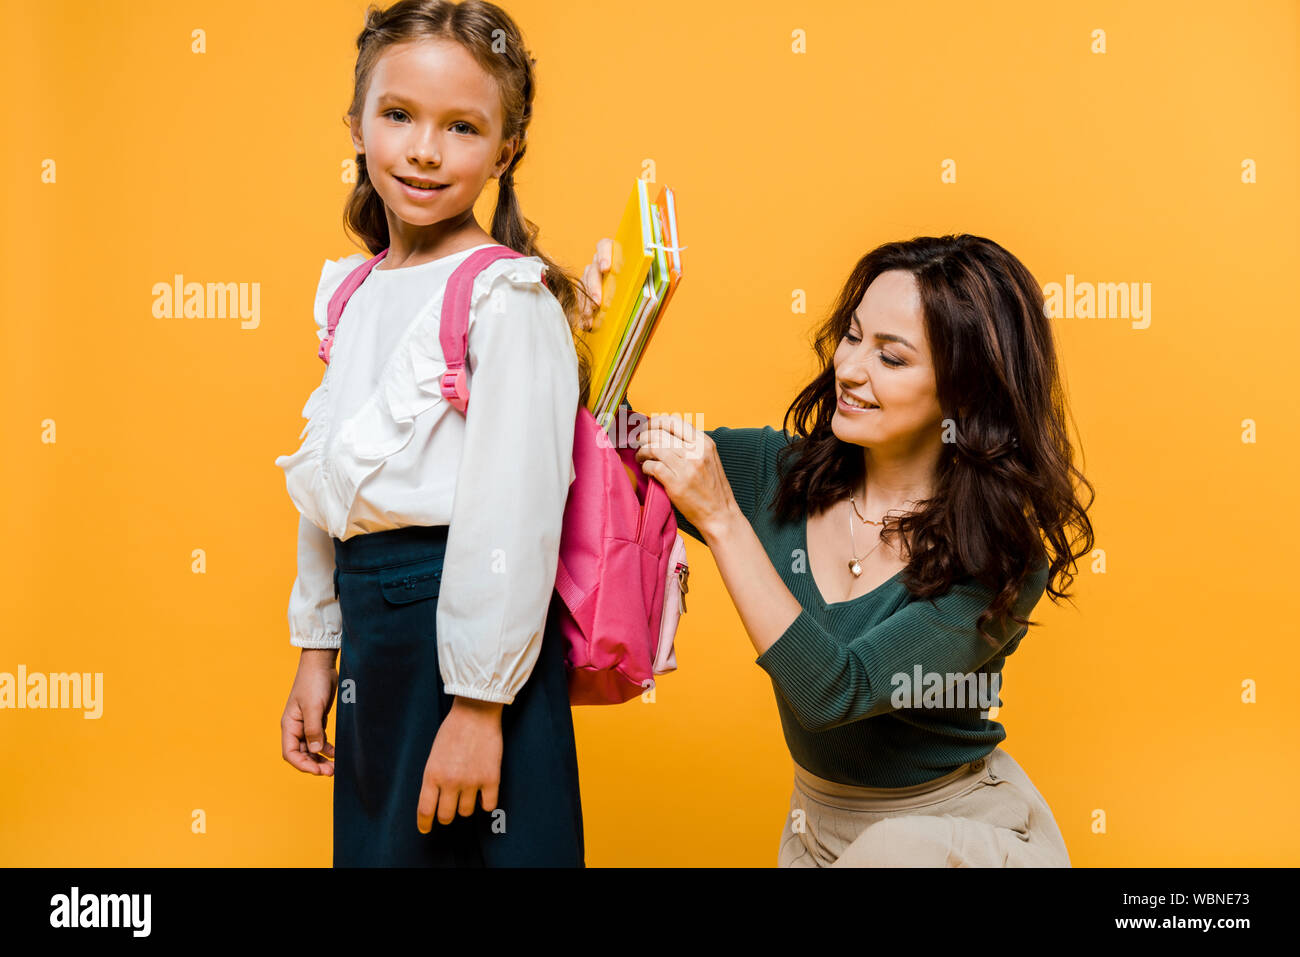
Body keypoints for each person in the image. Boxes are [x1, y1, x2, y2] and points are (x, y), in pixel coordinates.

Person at [580, 233, 1093, 866]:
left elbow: (833, 693)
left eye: (892, 358)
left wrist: (722, 519)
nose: (848, 370)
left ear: (965, 392)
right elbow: (616, 446)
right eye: (852, 337)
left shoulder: (995, 559)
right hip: (818, 830)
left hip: (946, 839)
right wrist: (594, 339)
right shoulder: (781, 473)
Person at [276, 0, 596, 867]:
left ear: (507, 148)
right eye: (398, 116)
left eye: (462, 126)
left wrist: (482, 704)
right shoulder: (351, 291)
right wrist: (318, 648)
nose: (424, 149)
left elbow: (515, 512)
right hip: (373, 639)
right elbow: (331, 487)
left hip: (467, 642)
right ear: (356, 124)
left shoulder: (507, 296)